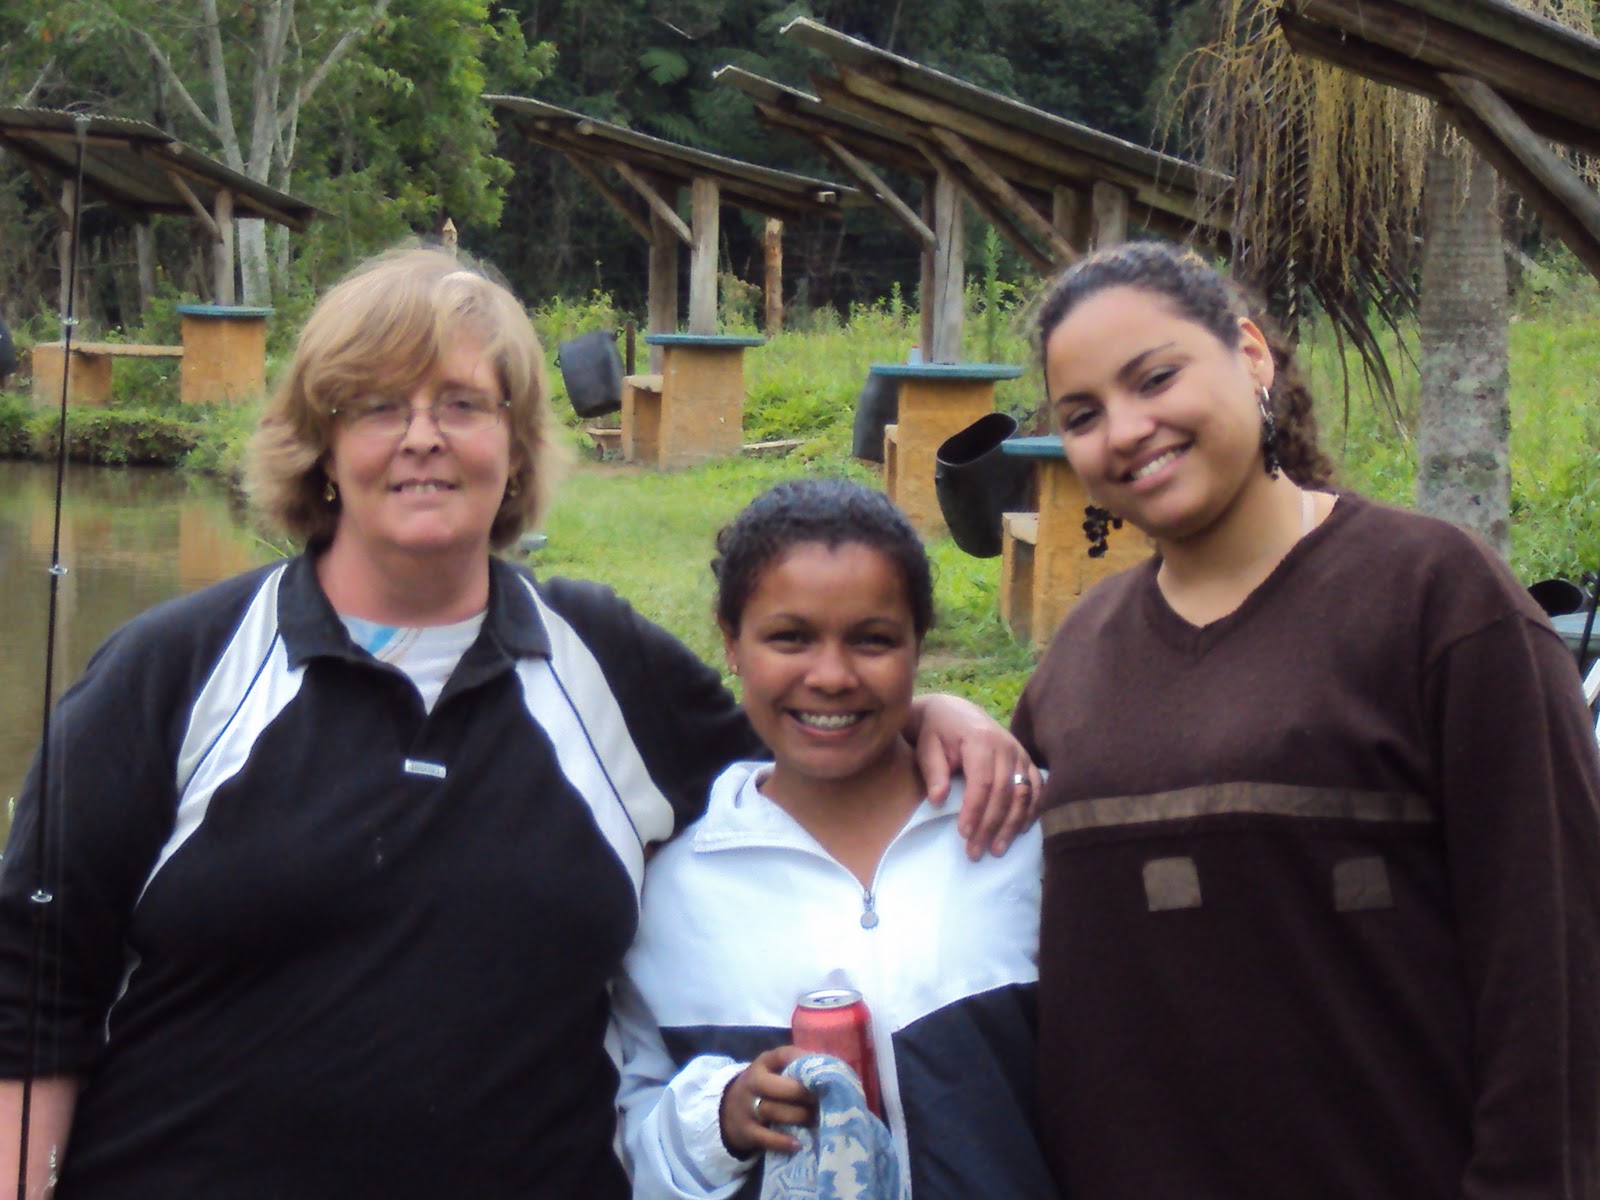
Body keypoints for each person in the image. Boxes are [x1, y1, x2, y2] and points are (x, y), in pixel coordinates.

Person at [0, 247, 1039, 1200]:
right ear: (320, 442)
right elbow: (32, 993)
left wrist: (925, 713)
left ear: (514, 442)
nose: (423, 436)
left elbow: (802, 743)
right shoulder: (175, 671)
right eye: (378, 405)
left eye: (462, 403)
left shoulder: (609, 666)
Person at [1014, 240, 1600, 1198]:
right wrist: (936, 721)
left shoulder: (1438, 600)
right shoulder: (1078, 656)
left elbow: (1554, 968)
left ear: (1251, 355)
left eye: (1155, 379)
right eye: (1082, 415)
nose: (1124, 430)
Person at [616, 478, 1054, 1200]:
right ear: (730, 642)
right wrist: (715, 1120)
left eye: (872, 640)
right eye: (790, 637)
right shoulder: (673, 895)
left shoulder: (1020, 837)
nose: (831, 676)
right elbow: (635, 1132)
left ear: (919, 645)